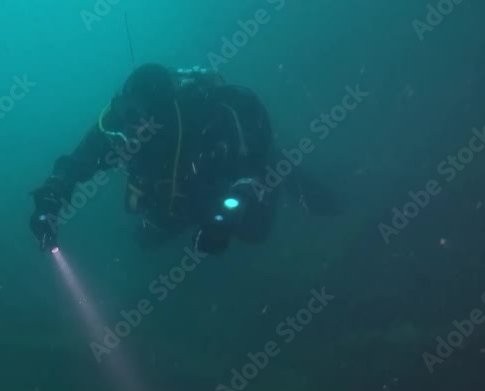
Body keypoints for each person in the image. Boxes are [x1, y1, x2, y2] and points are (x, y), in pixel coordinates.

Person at [29, 63, 337, 254]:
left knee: (255, 232)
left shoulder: (205, 120)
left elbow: (249, 177)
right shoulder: (118, 124)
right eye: (125, 112)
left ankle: (293, 177)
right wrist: (50, 200)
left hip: (219, 181)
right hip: (172, 195)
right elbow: (77, 162)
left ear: (161, 114)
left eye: (139, 116)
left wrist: (221, 221)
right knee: (145, 243)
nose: (129, 127)